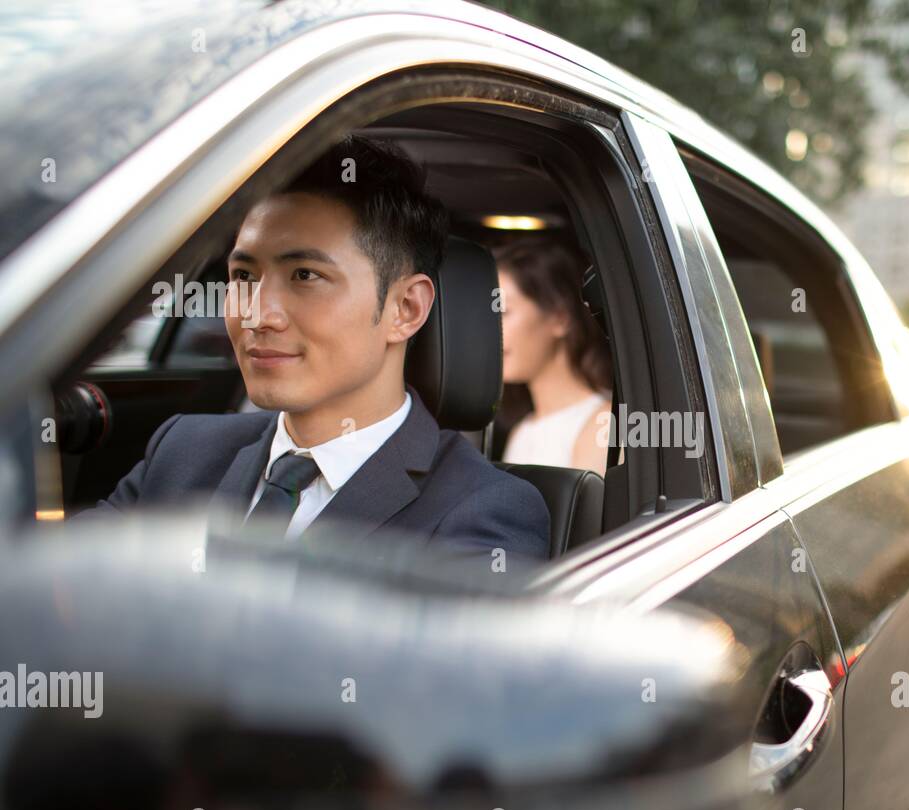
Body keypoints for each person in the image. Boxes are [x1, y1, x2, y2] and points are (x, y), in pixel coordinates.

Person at [77, 135, 550, 560]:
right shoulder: (182, 450)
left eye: (305, 276)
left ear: (405, 308)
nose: (257, 315)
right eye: (243, 277)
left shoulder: (482, 511)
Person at [495, 238, 612, 475]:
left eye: (504, 312)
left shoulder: (604, 424)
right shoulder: (522, 430)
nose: (490, 329)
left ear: (560, 317)